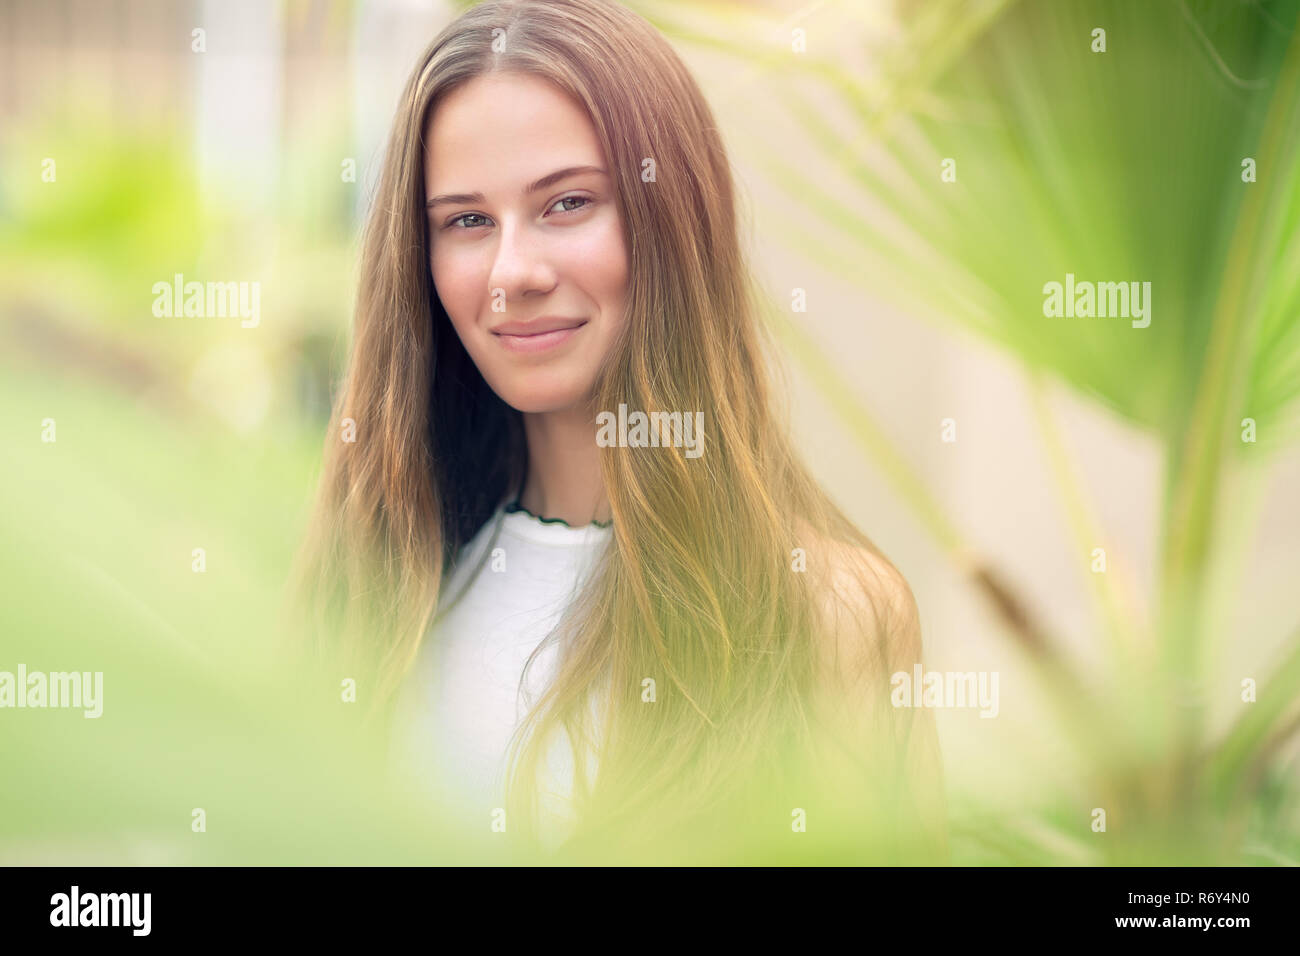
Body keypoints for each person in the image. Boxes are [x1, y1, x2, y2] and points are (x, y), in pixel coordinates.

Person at [288, 0, 947, 864]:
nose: (513, 272)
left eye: (566, 203)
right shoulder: (375, 581)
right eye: (466, 220)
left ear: (674, 221)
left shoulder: (829, 616)